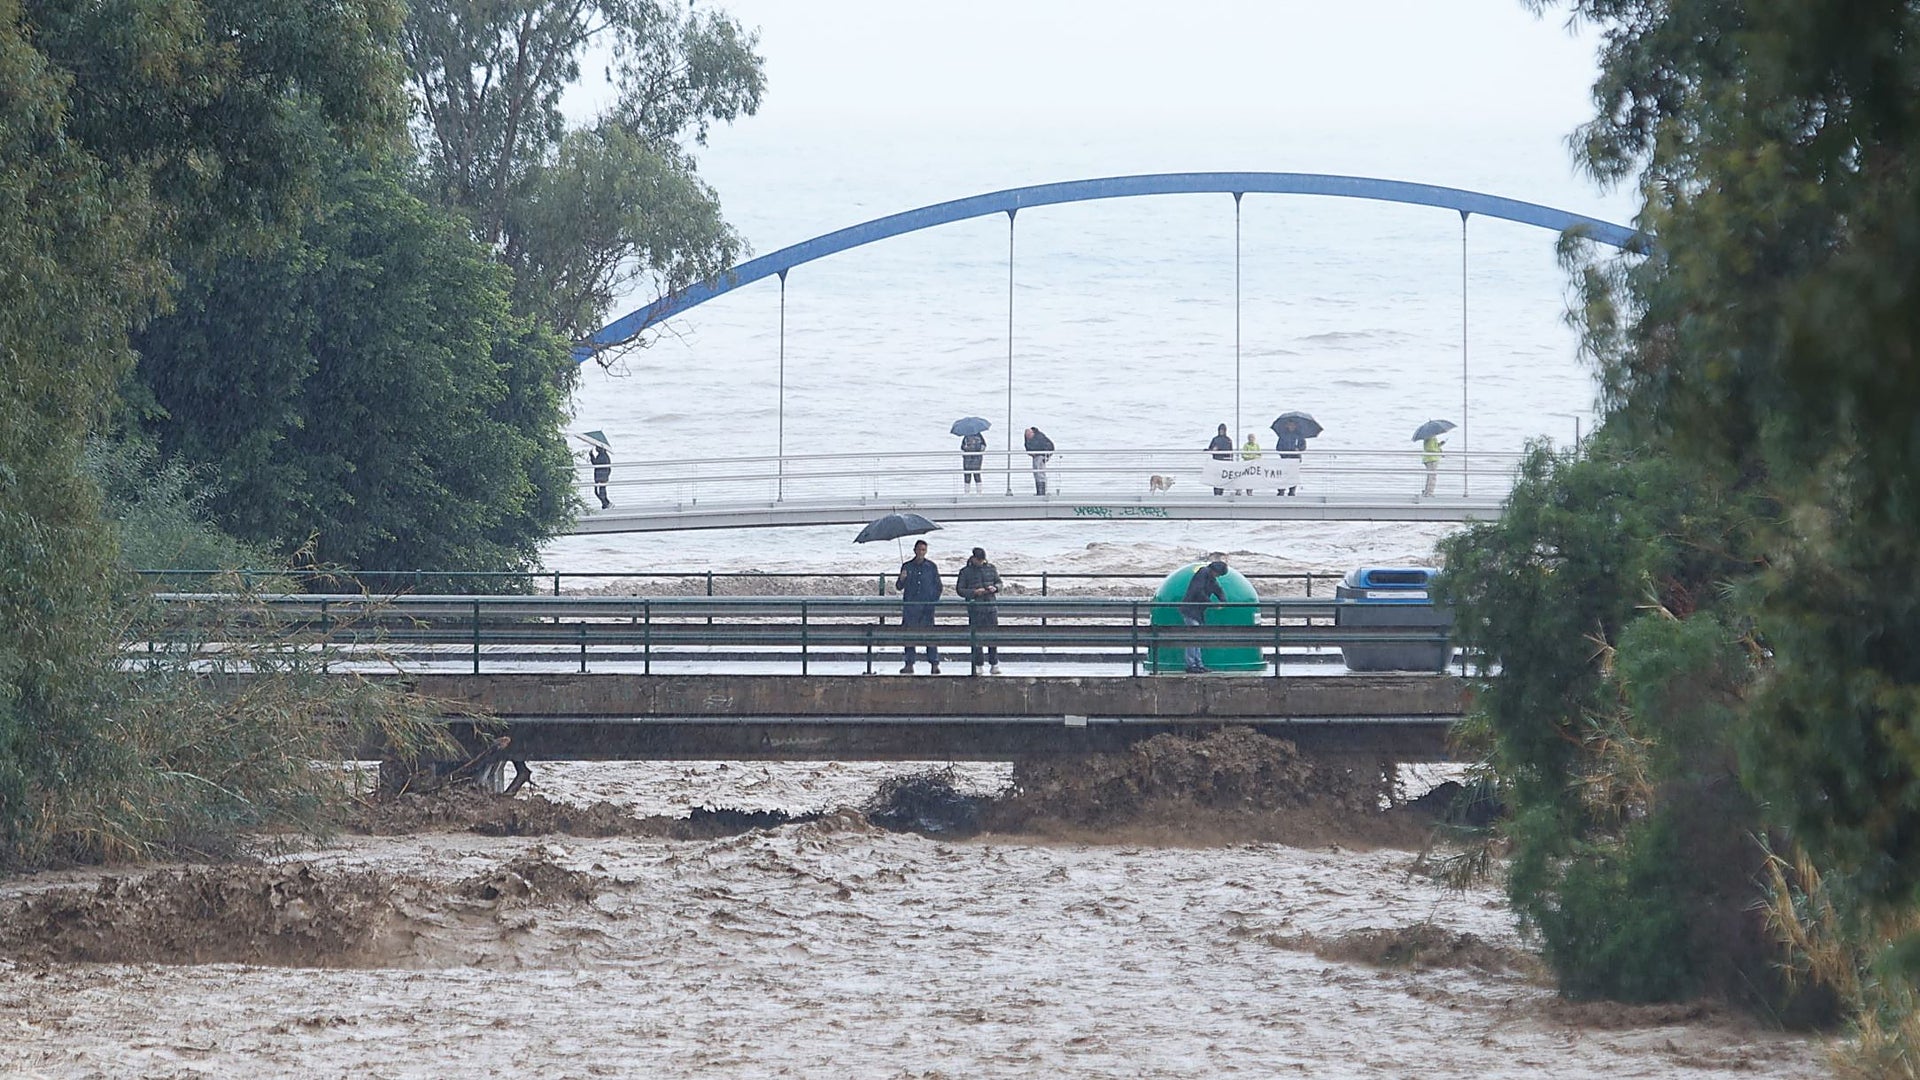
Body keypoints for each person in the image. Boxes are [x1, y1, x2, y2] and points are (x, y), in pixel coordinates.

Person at [895, 539, 942, 674]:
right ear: (914, 550)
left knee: (930, 635)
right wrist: (902, 578)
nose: (921, 552)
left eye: (923, 550)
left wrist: (933, 601)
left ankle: (934, 663)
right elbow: (899, 587)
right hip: (911, 607)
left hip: (927, 607)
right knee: (909, 635)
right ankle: (909, 663)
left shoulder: (931, 566)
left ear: (926, 551)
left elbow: (938, 586)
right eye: (919, 549)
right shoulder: (907, 566)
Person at [955, 546, 1003, 675]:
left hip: (990, 607)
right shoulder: (965, 571)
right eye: (979, 560)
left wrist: (995, 588)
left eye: (982, 560)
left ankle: (994, 663)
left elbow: (999, 582)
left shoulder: (991, 569)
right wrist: (974, 592)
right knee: (976, 638)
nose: (981, 562)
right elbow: (960, 590)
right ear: (973, 558)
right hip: (975, 608)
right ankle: (978, 663)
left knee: (993, 637)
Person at [1179, 559, 1229, 673]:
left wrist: (1223, 600)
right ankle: (1191, 664)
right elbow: (1198, 590)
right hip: (1190, 609)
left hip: (1197, 611)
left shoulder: (1210, 577)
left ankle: (1198, 664)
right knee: (1193, 638)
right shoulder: (1203, 573)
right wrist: (1211, 604)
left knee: (1197, 637)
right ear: (1214, 570)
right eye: (1218, 574)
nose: (1218, 576)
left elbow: (1218, 589)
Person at [1274, 425, 1305, 496]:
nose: (1291, 427)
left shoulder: (1299, 435)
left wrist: (1299, 449)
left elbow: (1303, 446)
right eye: (1290, 425)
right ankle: (1281, 490)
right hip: (1285, 458)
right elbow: (1278, 447)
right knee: (1283, 475)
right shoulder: (1283, 435)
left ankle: (1292, 491)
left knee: (1293, 475)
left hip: (1295, 458)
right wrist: (1284, 454)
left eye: (1293, 425)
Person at [1023, 427, 1055, 495]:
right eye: (1027, 435)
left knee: (1039, 473)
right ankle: (1039, 491)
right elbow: (1027, 447)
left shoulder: (1039, 437)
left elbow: (1048, 446)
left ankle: (1041, 491)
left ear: (1032, 433)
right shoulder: (1029, 438)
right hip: (1036, 456)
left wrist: (1046, 456)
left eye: (1029, 434)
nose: (1028, 436)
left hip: (1041, 455)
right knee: (1037, 473)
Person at [1208, 423, 1234, 495]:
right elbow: (1210, 449)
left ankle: (1221, 492)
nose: (1221, 431)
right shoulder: (1215, 439)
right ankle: (1216, 493)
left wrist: (1231, 462)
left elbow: (1230, 452)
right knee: (1216, 478)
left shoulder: (1228, 440)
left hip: (1224, 461)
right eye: (1220, 430)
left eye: (1223, 430)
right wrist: (1213, 450)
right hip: (1216, 461)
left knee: (1222, 478)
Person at [589, 444, 613, 509]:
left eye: (597, 447)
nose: (596, 449)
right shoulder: (604, 456)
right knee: (600, 492)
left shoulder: (602, 456)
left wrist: (591, 455)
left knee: (599, 492)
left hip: (601, 477)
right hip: (602, 477)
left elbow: (595, 463)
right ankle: (606, 503)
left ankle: (606, 503)